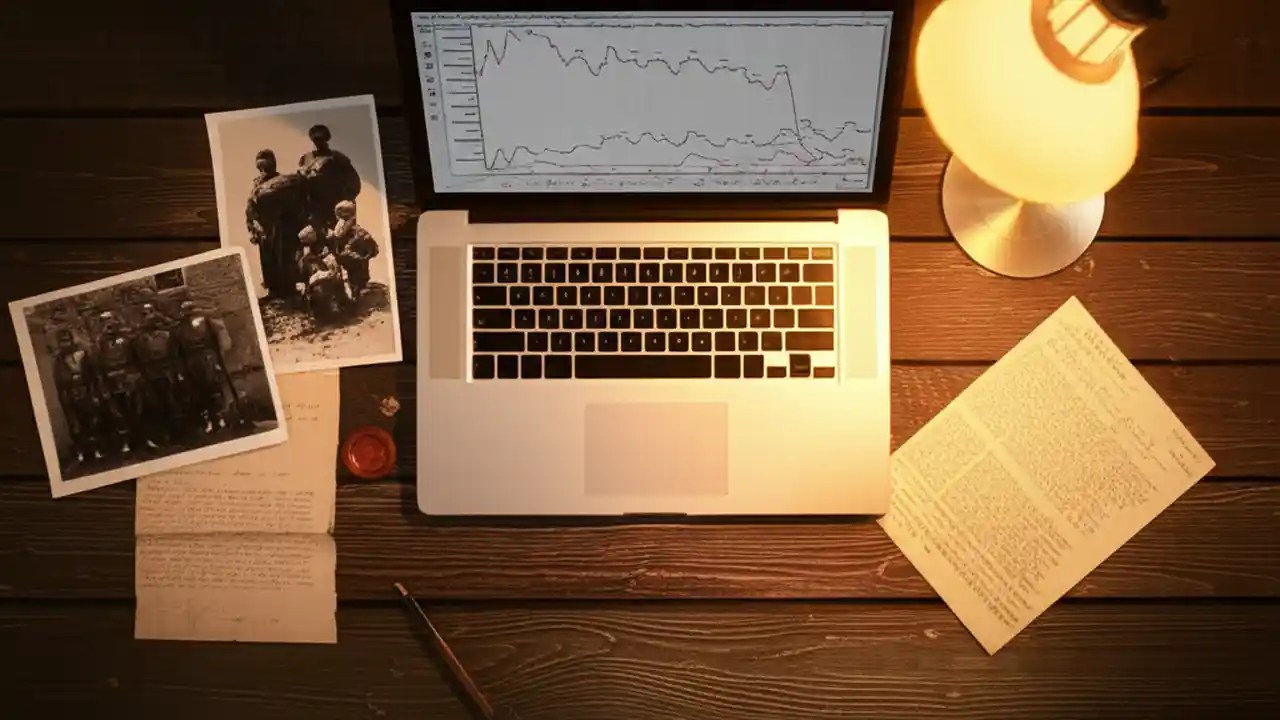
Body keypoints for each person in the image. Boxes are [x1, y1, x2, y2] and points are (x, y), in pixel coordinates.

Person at [245, 149, 308, 299]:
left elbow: (295, 204)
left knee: (285, 257)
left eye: (266, 165)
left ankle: (289, 289)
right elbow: (250, 208)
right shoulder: (256, 184)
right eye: (261, 166)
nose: (263, 169)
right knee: (268, 259)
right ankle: (273, 291)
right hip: (264, 228)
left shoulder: (284, 182)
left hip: (283, 227)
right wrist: (253, 227)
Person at [173, 301, 232, 434]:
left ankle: (220, 417)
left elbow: (217, 341)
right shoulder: (178, 330)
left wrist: (218, 360)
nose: (189, 314)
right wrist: (181, 370)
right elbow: (176, 352)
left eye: (191, 310)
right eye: (186, 311)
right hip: (191, 363)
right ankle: (208, 420)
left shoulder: (207, 324)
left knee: (214, 389)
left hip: (208, 359)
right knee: (198, 393)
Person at [132, 303, 183, 448]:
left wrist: (177, 372)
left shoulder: (167, 334)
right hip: (150, 375)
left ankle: (179, 435)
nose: (148, 317)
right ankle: (163, 437)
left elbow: (175, 354)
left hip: (168, 373)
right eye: (144, 314)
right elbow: (136, 360)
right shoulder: (138, 340)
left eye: (150, 313)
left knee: (173, 403)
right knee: (155, 407)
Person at [298, 124, 361, 240]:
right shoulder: (305, 159)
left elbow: (354, 182)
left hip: (334, 206)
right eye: (315, 139)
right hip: (312, 207)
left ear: (326, 139)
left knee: (338, 239)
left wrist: (344, 204)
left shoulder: (337, 157)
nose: (317, 142)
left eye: (320, 138)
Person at [51, 328, 103, 464]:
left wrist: (95, 393)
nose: (65, 344)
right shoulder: (59, 360)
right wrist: (65, 400)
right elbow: (59, 381)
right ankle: (81, 453)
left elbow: (92, 375)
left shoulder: (82, 354)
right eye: (62, 342)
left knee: (92, 422)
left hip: (86, 392)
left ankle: (97, 450)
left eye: (67, 341)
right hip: (70, 396)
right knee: (76, 426)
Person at [96, 310, 143, 455]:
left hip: (128, 376)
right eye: (105, 321)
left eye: (110, 320)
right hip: (112, 379)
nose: (108, 323)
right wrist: (103, 385)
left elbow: (136, 355)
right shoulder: (100, 341)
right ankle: (126, 443)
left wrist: (135, 374)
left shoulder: (126, 337)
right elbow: (98, 364)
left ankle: (142, 440)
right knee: (119, 412)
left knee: (136, 408)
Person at [297, 226, 351, 322]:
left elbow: (335, 273)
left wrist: (319, 275)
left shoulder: (325, 254)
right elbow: (303, 277)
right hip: (318, 286)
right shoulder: (305, 258)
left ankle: (335, 307)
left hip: (329, 283)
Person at [328, 199, 379, 298]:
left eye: (340, 216)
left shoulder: (358, 233)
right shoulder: (340, 232)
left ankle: (357, 294)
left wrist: (358, 256)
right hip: (349, 265)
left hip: (356, 266)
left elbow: (373, 249)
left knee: (356, 281)